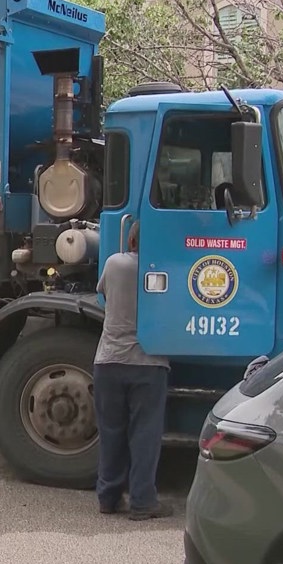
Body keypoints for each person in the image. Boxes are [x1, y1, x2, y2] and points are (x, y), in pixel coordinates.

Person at [93, 220, 173, 521]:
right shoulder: (167, 268)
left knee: (111, 432)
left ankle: (108, 498)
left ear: (131, 241)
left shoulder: (114, 263)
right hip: (149, 364)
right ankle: (142, 502)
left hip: (108, 361)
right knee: (144, 435)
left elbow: (101, 293)